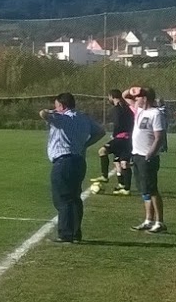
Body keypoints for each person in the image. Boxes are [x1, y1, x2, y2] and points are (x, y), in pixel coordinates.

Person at [39, 92, 105, 243]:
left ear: (61, 106)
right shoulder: (83, 117)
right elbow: (100, 132)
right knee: (75, 197)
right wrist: (85, 144)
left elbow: (42, 113)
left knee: (62, 198)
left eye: (56, 106)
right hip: (79, 161)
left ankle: (65, 233)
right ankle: (75, 232)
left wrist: (52, 111)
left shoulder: (61, 118)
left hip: (63, 161)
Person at [126, 86, 168, 233]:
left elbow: (159, 137)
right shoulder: (140, 110)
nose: (136, 99)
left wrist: (150, 154)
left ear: (145, 98)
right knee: (144, 190)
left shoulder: (155, 114)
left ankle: (159, 221)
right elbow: (125, 96)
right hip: (137, 155)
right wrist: (134, 89)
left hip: (147, 156)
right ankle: (148, 220)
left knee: (152, 189)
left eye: (139, 97)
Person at [94, 89, 134, 195]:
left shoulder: (117, 109)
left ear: (111, 97)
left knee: (102, 151)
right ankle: (125, 188)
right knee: (123, 163)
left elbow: (117, 124)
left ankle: (104, 176)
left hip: (120, 138)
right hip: (129, 139)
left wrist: (114, 135)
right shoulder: (127, 108)